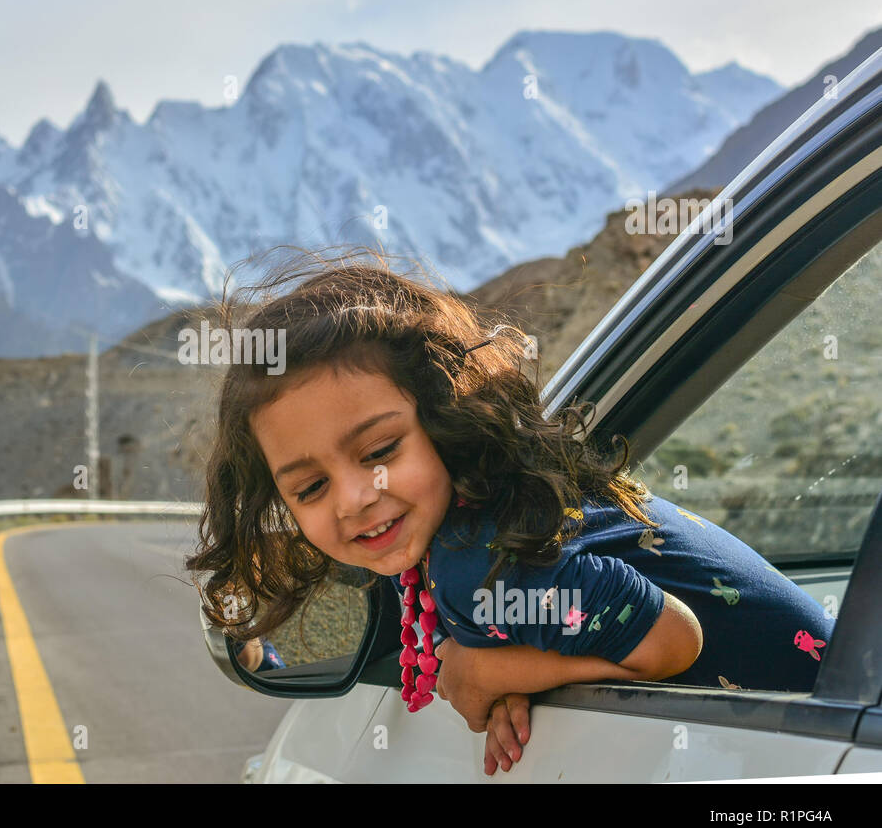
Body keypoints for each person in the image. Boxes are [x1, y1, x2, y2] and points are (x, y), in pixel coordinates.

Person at [187, 250, 834, 776]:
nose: (354, 496)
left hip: (827, 724)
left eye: (381, 450)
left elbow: (672, 638)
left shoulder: (483, 559)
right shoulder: (492, 513)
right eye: (309, 488)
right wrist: (531, 669)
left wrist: (485, 668)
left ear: (442, 416)